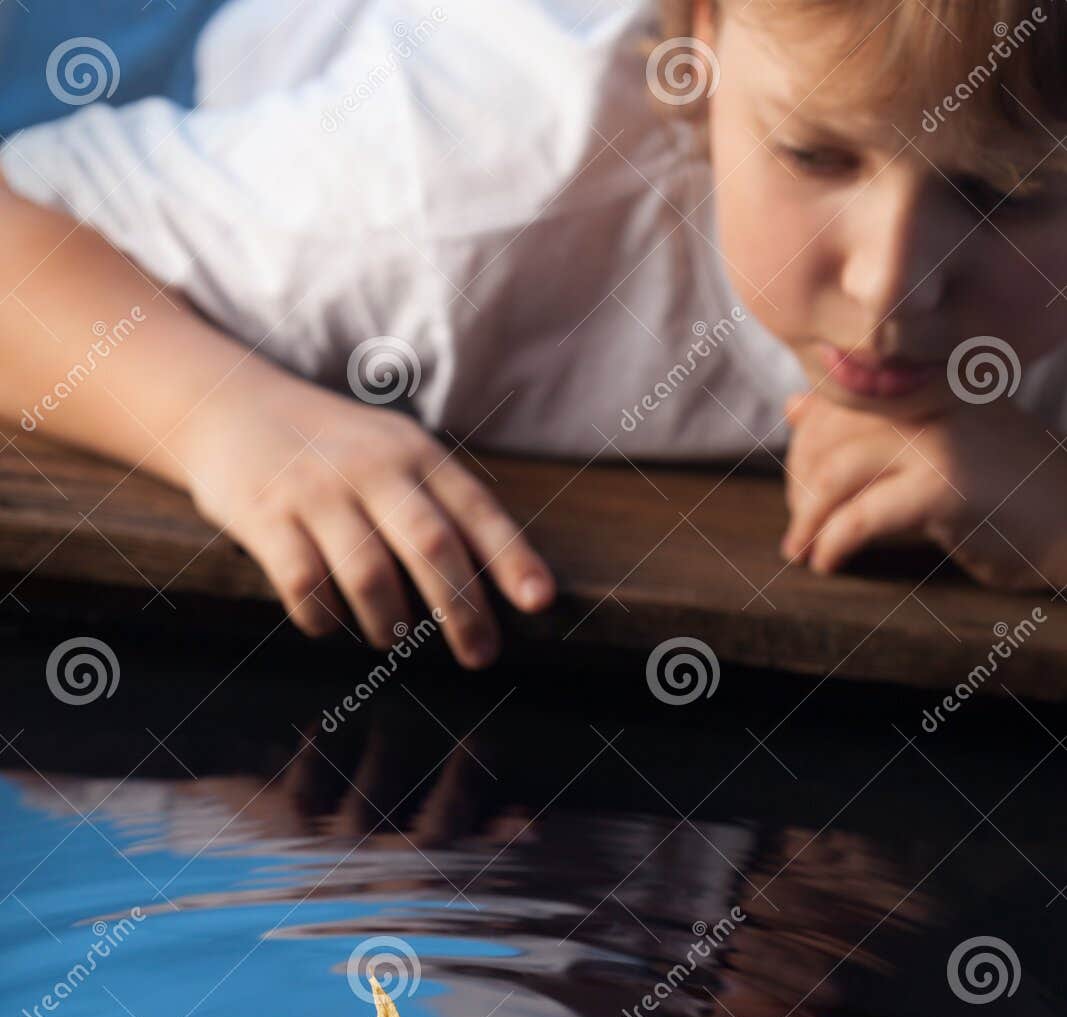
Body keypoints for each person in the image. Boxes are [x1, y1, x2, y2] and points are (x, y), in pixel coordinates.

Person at [0, 0, 1064, 661]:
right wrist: (222, 412)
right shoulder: (435, 212)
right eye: (813, 157)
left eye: (1005, 193)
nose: (888, 290)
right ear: (702, 43)